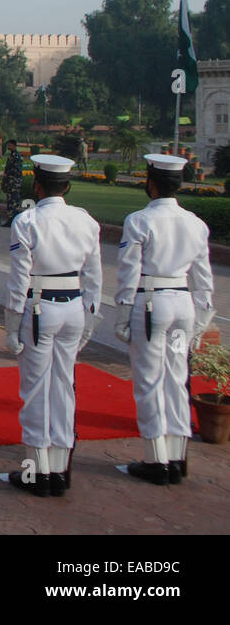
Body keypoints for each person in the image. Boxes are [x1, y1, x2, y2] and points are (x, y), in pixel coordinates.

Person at [1, 155, 102, 497]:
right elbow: (95, 277)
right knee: (63, 387)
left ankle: (36, 473)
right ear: (68, 186)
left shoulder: (27, 221)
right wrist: (90, 319)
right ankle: (59, 470)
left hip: (40, 307)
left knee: (35, 391)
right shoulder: (85, 221)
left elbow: (18, 281)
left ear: (37, 185)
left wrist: (12, 326)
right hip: (74, 306)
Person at [114, 154, 216, 485]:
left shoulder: (139, 220)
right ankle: (176, 457)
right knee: (176, 378)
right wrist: (201, 322)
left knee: (149, 382)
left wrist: (122, 316)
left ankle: (156, 459)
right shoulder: (196, 223)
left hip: (151, 303)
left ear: (151, 183)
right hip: (183, 304)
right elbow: (204, 281)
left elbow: (128, 274)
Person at [2, 139, 24, 227]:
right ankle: (10, 219)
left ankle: (14, 220)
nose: (8, 147)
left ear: (14, 145)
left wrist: (8, 174)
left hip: (14, 182)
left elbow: (16, 170)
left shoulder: (17, 156)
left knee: (15, 202)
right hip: (10, 183)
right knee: (10, 201)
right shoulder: (11, 156)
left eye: (10, 145)